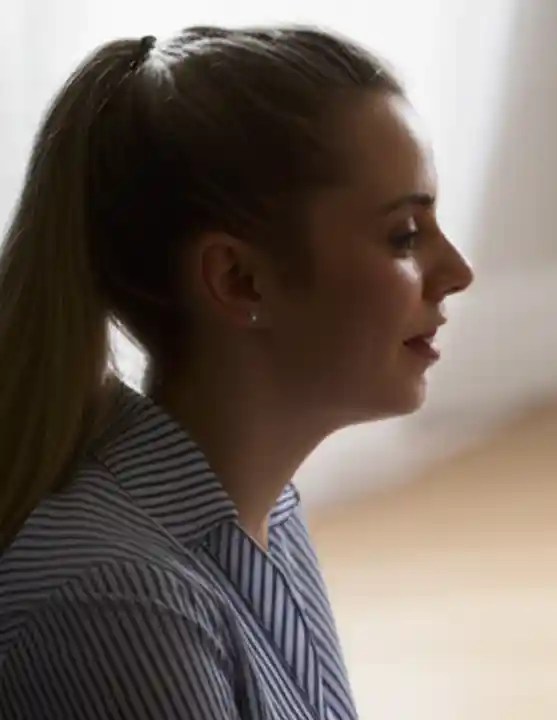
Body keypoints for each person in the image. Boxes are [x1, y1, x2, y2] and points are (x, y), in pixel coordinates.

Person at [0, 25, 472, 719]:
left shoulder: (262, 515)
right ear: (240, 280)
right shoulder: (123, 603)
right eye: (404, 236)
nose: (458, 272)